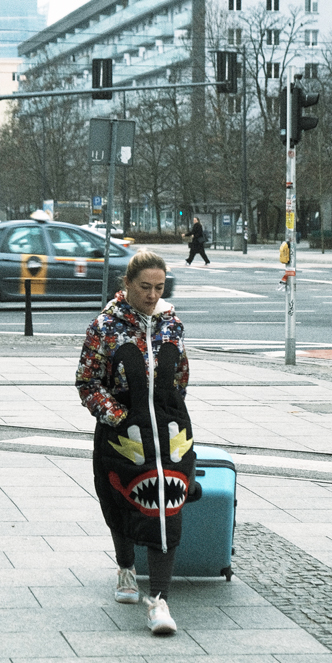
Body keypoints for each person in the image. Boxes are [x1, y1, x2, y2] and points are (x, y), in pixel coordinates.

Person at [75, 249, 196, 635]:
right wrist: (119, 417)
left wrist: (172, 411)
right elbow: (87, 382)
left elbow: (181, 373)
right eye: (145, 287)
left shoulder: (172, 324)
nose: (152, 295)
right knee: (121, 500)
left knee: (167, 503)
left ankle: (159, 601)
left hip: (170, 436)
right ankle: (126, 568)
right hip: (124, 436)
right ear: (126, 284)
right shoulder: (104, 326)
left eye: (159, 287)